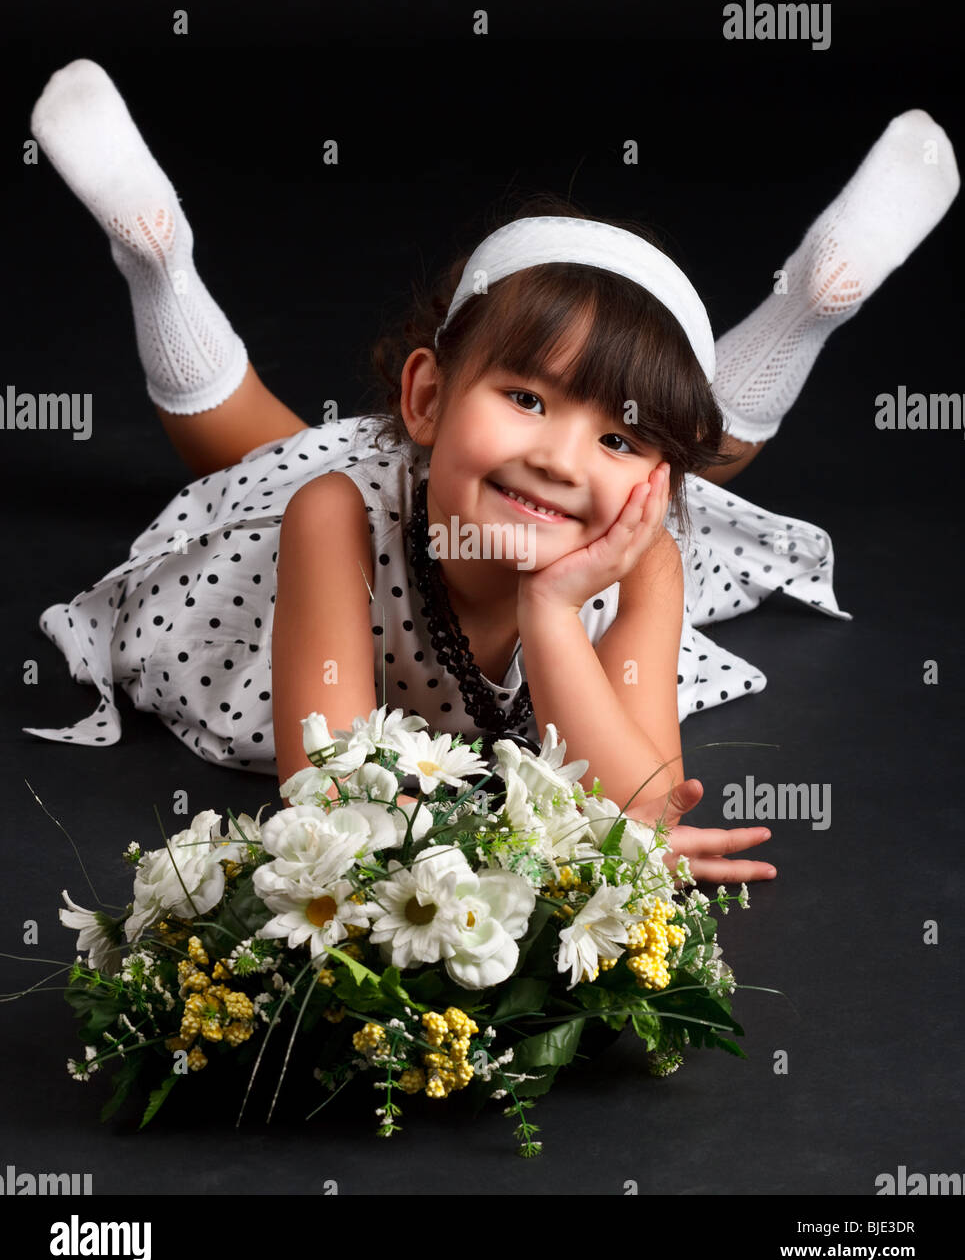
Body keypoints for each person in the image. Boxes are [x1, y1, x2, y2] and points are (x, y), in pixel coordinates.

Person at [23, 60, 959, 883]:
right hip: (359, 513)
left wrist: (554, 612)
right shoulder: (330, 515)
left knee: (686, 442)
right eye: (526, 398)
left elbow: (642, 800)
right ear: (426, 398)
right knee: (260, 453)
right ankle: (159, 258)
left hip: (576, 524)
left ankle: (807, 305)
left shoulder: (642, 552)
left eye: (612, 439)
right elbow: (329, 792)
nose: (555, 456)